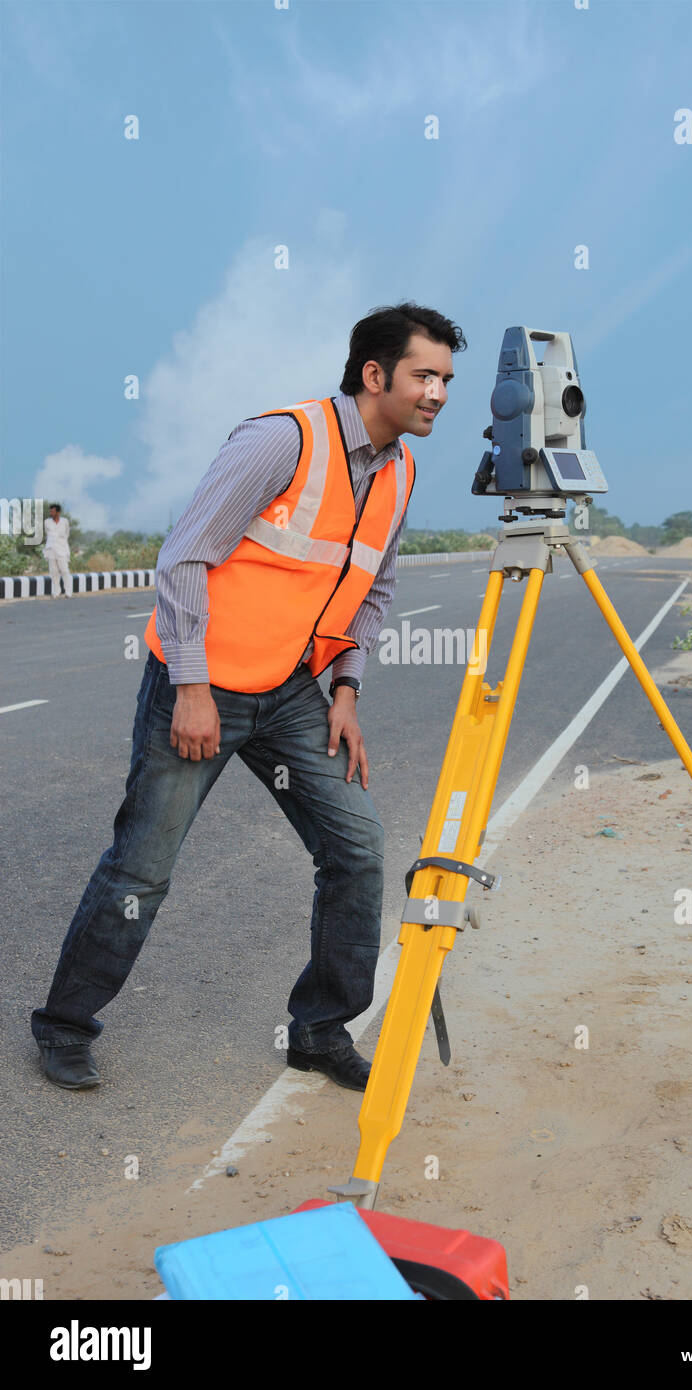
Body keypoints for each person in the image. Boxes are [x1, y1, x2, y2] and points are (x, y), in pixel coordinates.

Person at [31, 302, 467, 1091]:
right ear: (375, 375)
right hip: (201, 683)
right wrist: (192, 687)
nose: (438, 393)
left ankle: (320, 1031)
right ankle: (64, 1026)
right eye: (424, 375)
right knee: (142, 869)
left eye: (445, 379)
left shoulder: (399, 469)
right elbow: (184, 557)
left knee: (358, 849)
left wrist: (345, 689)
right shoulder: (283, 440)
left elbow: (373, 590)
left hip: (294, 690)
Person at [44, 503, 73, 597]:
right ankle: (57, 591)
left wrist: (60, 541)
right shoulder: (47, 522)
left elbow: (67, 533)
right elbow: (47, 533)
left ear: (58, 512)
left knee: (64, 570)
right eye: (50, 511)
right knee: (54, 572)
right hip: (51, 549)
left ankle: (68, 591)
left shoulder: (65, 521)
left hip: (62, 549)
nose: (51, 513)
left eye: (53, 511)